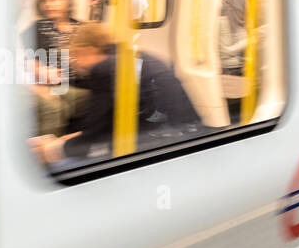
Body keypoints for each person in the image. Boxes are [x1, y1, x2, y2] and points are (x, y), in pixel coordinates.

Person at [29, 22, 200, 163]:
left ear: (87, 50)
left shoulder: (103, 69)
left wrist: (52, 150)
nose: (73, 65)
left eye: (74, 57)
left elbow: (96, 133)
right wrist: (65, 140)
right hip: (182, 128)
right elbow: (106, 122)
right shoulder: (126, 55)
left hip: (159, 137)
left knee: (62, 165)